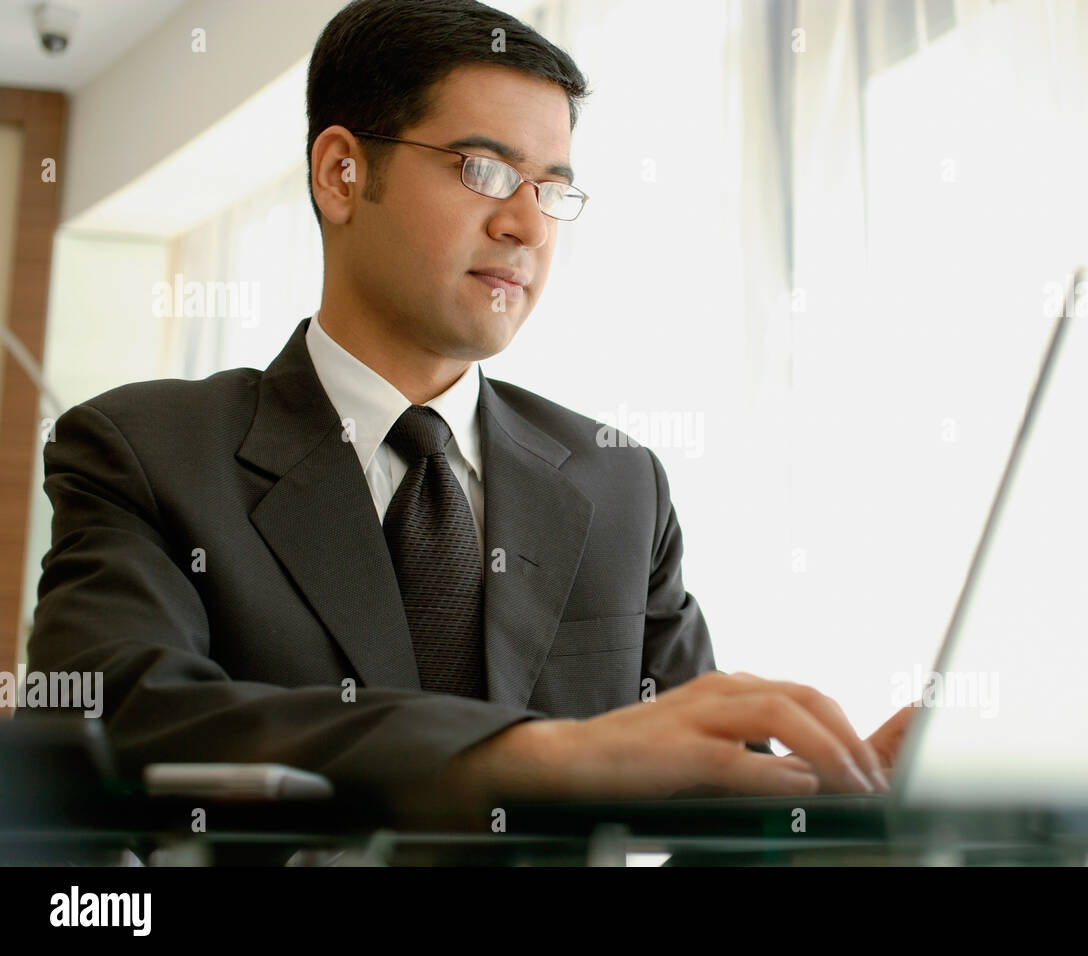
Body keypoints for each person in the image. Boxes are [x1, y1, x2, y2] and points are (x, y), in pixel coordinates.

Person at [23, 0, 912, 827]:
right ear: (341, 174)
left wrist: (825, 812)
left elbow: (706, 799)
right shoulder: (146, 452)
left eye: (553, 188)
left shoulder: (617, 481)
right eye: (484, 170)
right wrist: (538, 756)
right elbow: (119, 714)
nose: (528, 224)